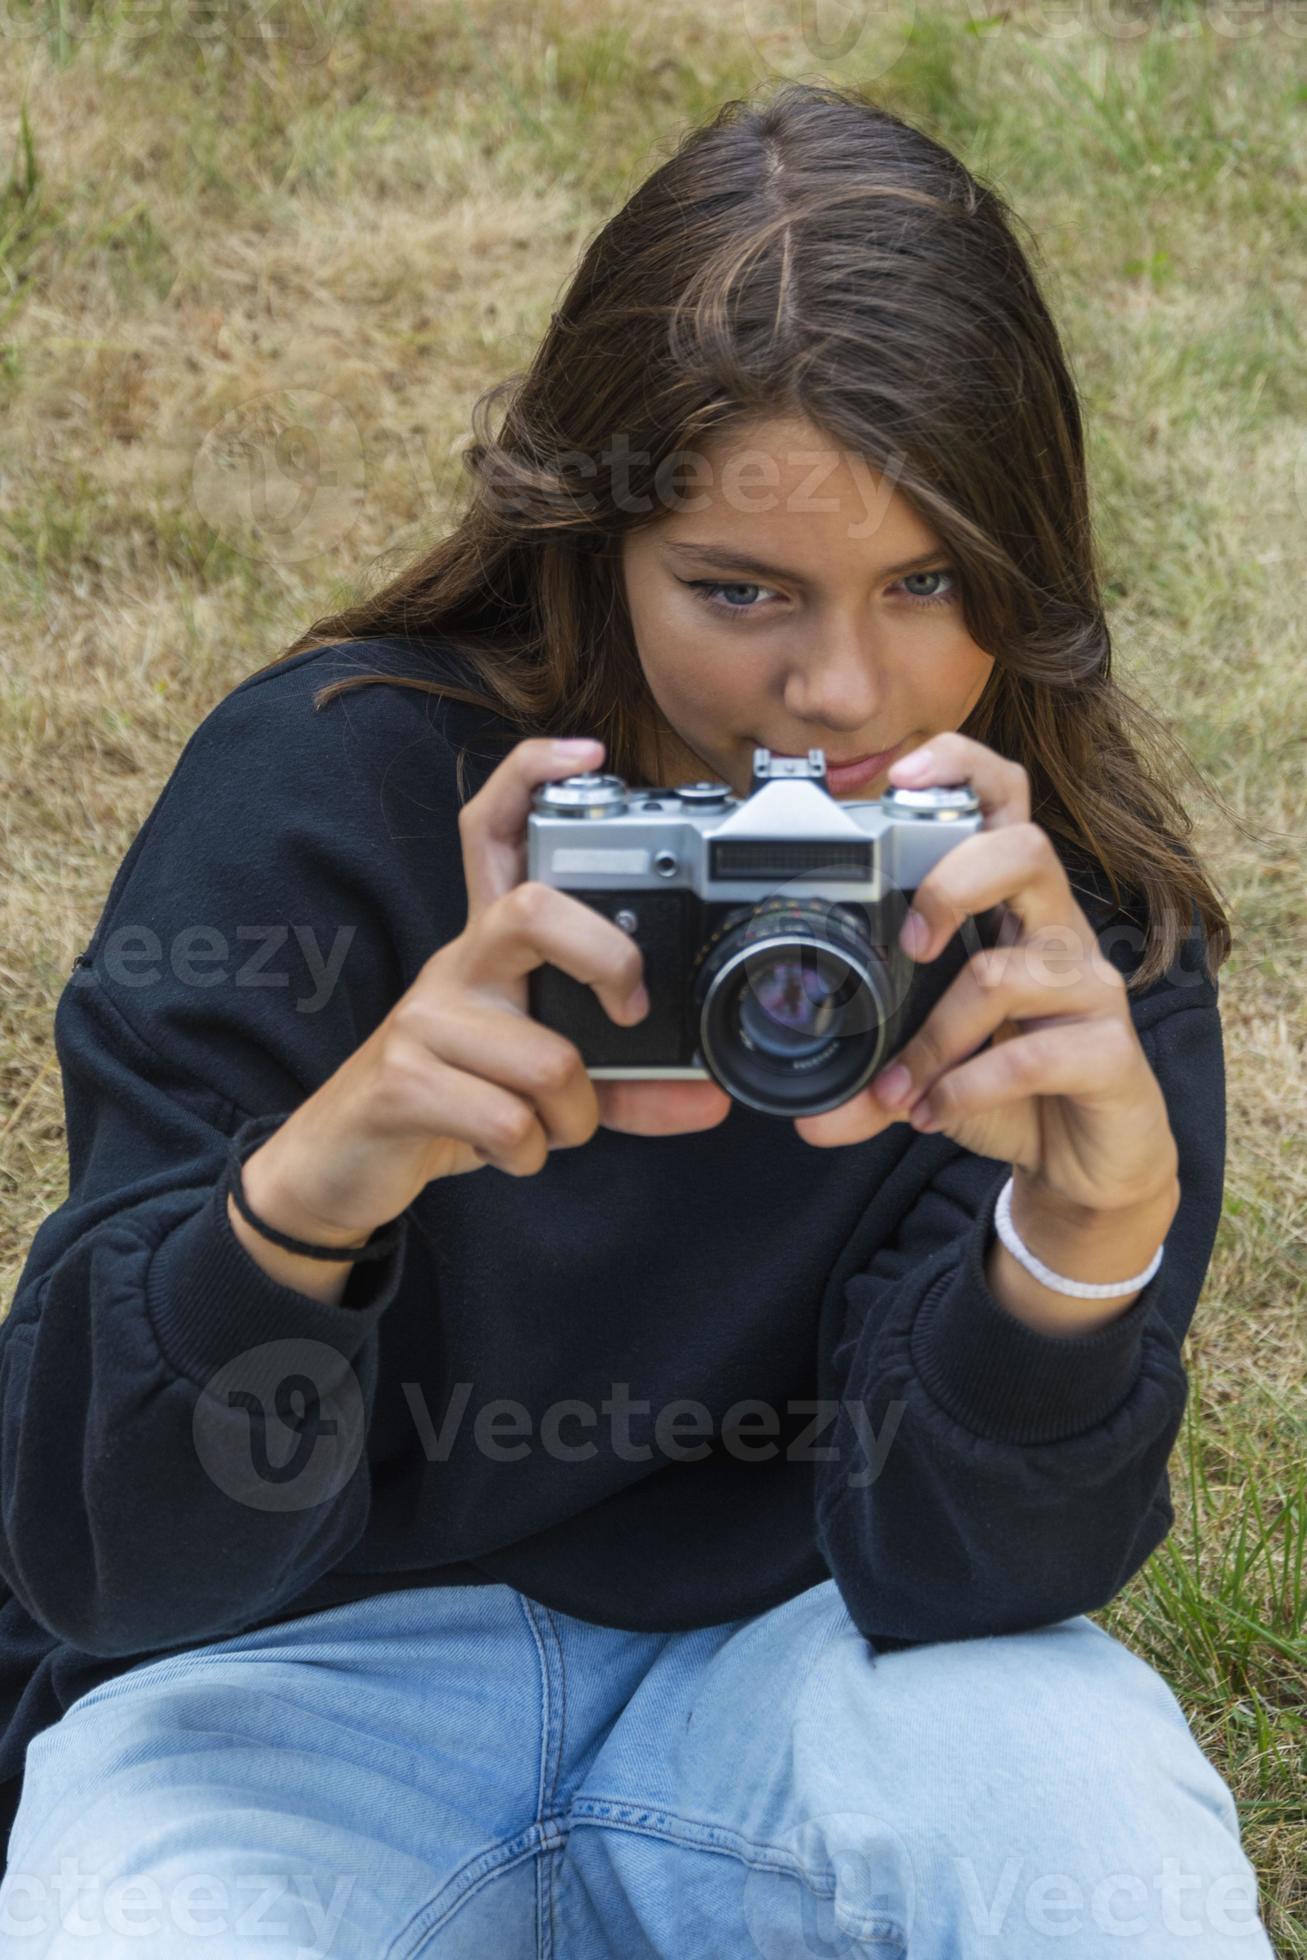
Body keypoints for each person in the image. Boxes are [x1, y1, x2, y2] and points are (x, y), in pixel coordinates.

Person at [0, 78, 1276, 1959]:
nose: (836, 690)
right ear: (586, 539)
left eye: (930, 582)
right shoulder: (328, 805)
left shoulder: (1047, 926)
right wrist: (306, 1207)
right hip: (292, 1678)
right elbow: (106, 1557)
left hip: (808, 1650)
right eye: (737, 589)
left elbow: (967, 1581)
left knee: (1112, 1854)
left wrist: (1073, 1263)